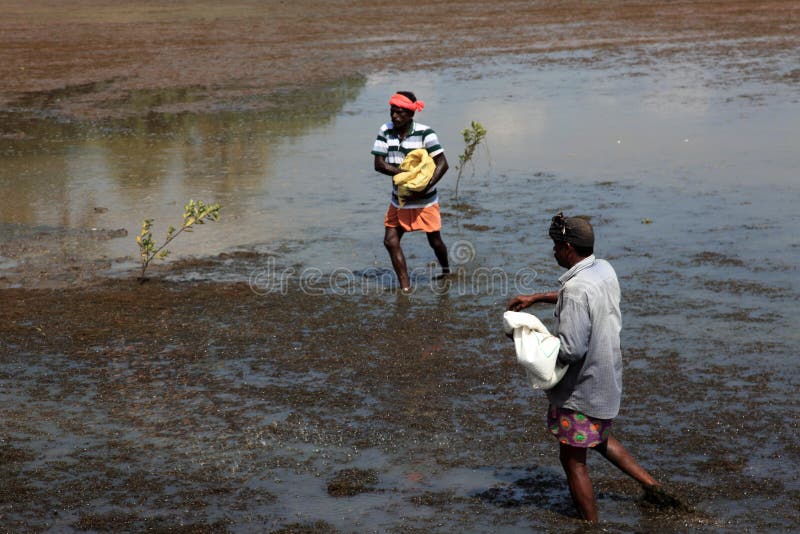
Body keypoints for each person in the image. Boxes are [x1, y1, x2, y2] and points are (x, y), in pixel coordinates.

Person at [507, 212, 674, 523]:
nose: (553, 251)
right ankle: (654, 488)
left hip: (581, 387)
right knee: (598, 437)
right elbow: (579, 297)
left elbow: (570, 350)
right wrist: (538, 298)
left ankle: (591, 524)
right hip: (606, 373)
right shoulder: (603, 270)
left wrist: (526, 336)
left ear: (568, 247)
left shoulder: (575, 290)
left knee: (572, 460)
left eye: (556, 246)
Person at [371, 91, 450, 292]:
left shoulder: (425, 133)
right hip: (400, 200)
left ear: (411, 115)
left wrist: (424, 186)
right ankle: (405, 287)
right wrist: (406, 175)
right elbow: (379, 164)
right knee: (390, 241)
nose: (394, 117)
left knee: (434, 240)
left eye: (399, 113)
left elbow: (443, 163)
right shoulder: (385, 131)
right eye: (392, 112)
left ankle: (446, 270)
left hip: (425, 200)